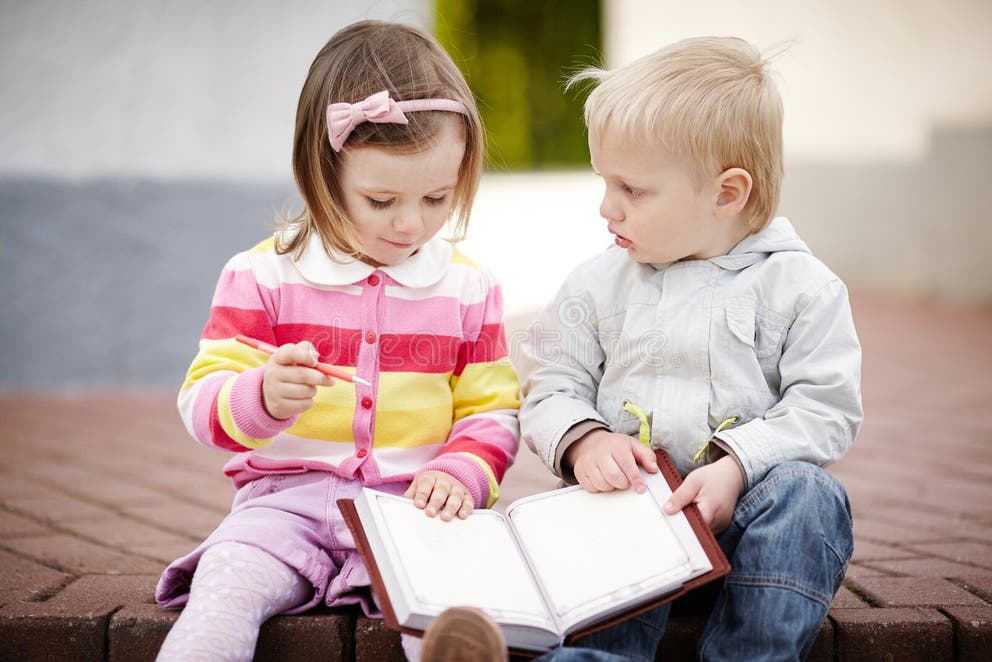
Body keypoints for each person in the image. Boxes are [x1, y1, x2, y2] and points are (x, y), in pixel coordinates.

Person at [421, 36, 862, 662]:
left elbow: (826, 409)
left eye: (632, 190)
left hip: (745, 533)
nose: (607, 208)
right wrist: (586, 440)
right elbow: (550, 382)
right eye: (606, 183)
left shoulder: (802, 288)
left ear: (726, 194)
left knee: (810, 496)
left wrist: (737, 468)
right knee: (597, 510)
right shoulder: (598, 284)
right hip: (630, 533)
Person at [154, 20, 520, 661]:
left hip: (412, 516)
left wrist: (461, 470)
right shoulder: (261, 276)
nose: (411, 224)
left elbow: (491, 409)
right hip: (279, 511)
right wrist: (259, 396)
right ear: (321, 176)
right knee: (224, 592)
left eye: (437, 196)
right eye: (381, 200)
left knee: (453, 611)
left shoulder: (467, 289)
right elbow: (201, 402)